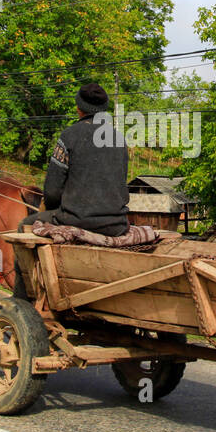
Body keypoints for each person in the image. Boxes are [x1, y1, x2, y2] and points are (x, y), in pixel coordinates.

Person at [14, 83, 129, 300]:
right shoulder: (119, 140)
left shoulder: (68, 137)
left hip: (77, 220)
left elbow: (52, 192)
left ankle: (22, 300)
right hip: (116, 225)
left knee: (24, 225)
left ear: (79, 108)